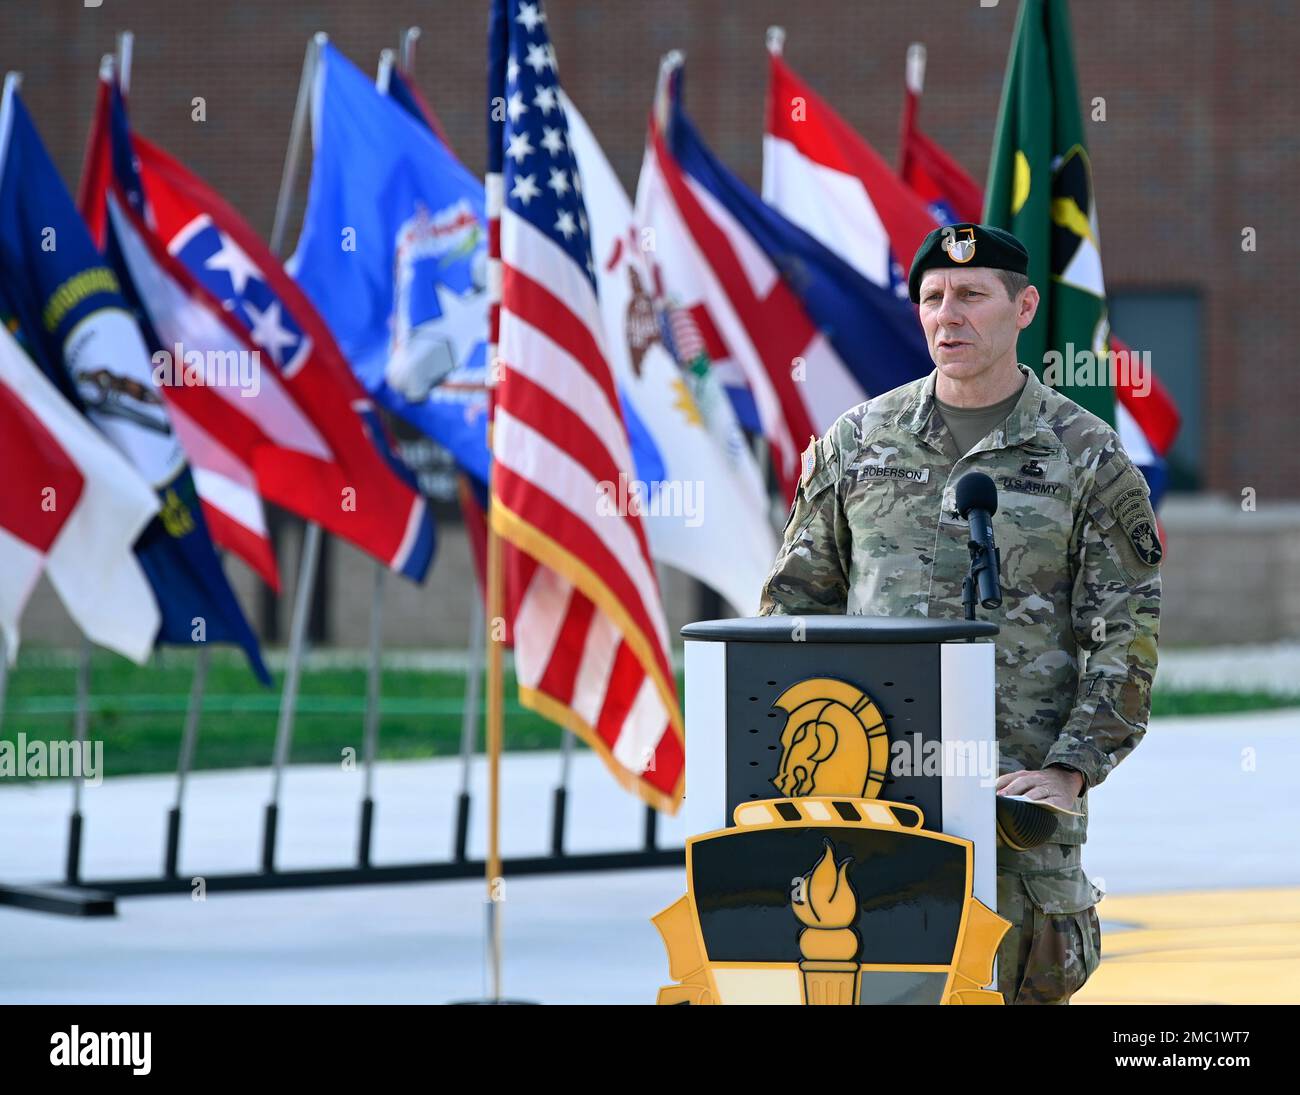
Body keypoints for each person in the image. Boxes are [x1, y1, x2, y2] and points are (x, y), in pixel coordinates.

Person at [758, 222, 1162, 1005]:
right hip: (873, 809)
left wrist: (1069, 768)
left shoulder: (1088, 456)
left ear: (1024, 307)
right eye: (933, 298)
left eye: (973, 296)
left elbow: (1127, 639)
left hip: (1017, 821)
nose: (950, 315)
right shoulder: (857, 443)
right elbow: (794, 613)